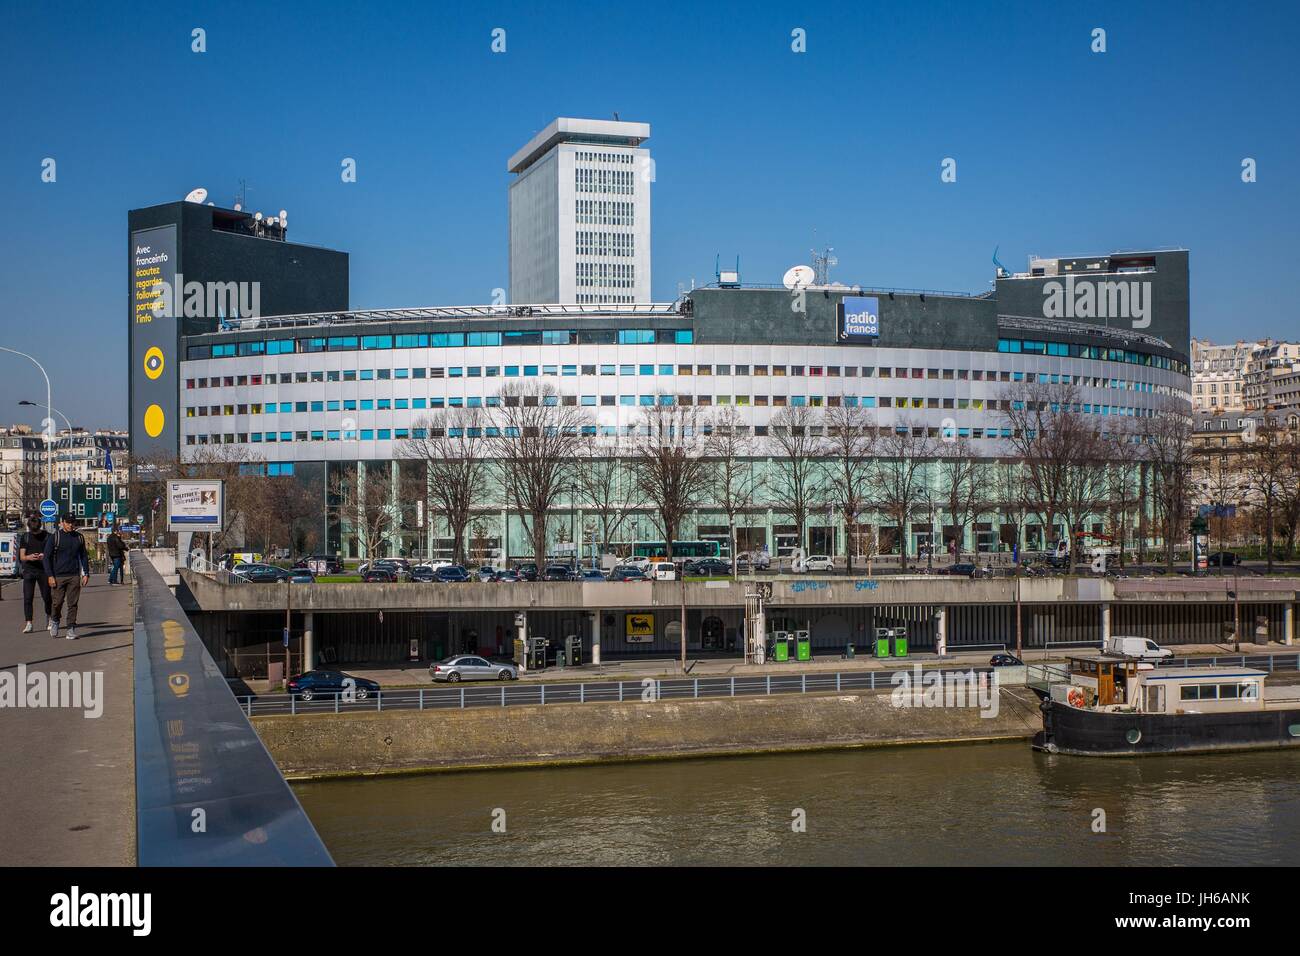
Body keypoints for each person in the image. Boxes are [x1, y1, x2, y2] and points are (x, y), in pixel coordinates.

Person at [42, 514, 90, 640]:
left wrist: (86, 573)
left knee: (73, 604)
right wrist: (50, 575)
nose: (71, 525)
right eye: (68, 522)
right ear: (62, 522)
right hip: (58, 576)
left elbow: (84, 556)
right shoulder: (55, 537)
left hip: (74, 575)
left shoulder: (79, 537)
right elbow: (46, 557)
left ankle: (70, 628)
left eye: (73, 522)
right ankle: (55, 620)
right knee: (57, 603)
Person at [17, 516, 51, 633]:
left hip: (44, 570)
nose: (34, 533)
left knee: (46, 596)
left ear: (40, 527)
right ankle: (29, 623)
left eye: (36, 531)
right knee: (28, 597)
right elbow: (22, 557)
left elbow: (52, 554)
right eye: (32, 531)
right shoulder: (25, 537)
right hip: (29, 570)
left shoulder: (48, 537)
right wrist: (29, 557)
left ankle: (49, 617)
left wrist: (43, 556)